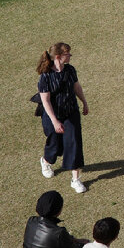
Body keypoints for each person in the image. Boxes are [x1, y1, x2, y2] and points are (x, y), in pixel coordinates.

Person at [37, 43, 89, 194]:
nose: (70, 56)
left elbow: (76, 87)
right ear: (58, 56)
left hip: (71, 112)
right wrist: (54, 121)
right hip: (53, 115)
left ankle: (76, 179)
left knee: (74, 143)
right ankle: (46, 161)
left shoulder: (70, 70)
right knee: (56, 145)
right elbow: (45, 101)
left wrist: (84, 102)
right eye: (68, 54)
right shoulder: (46, 76)